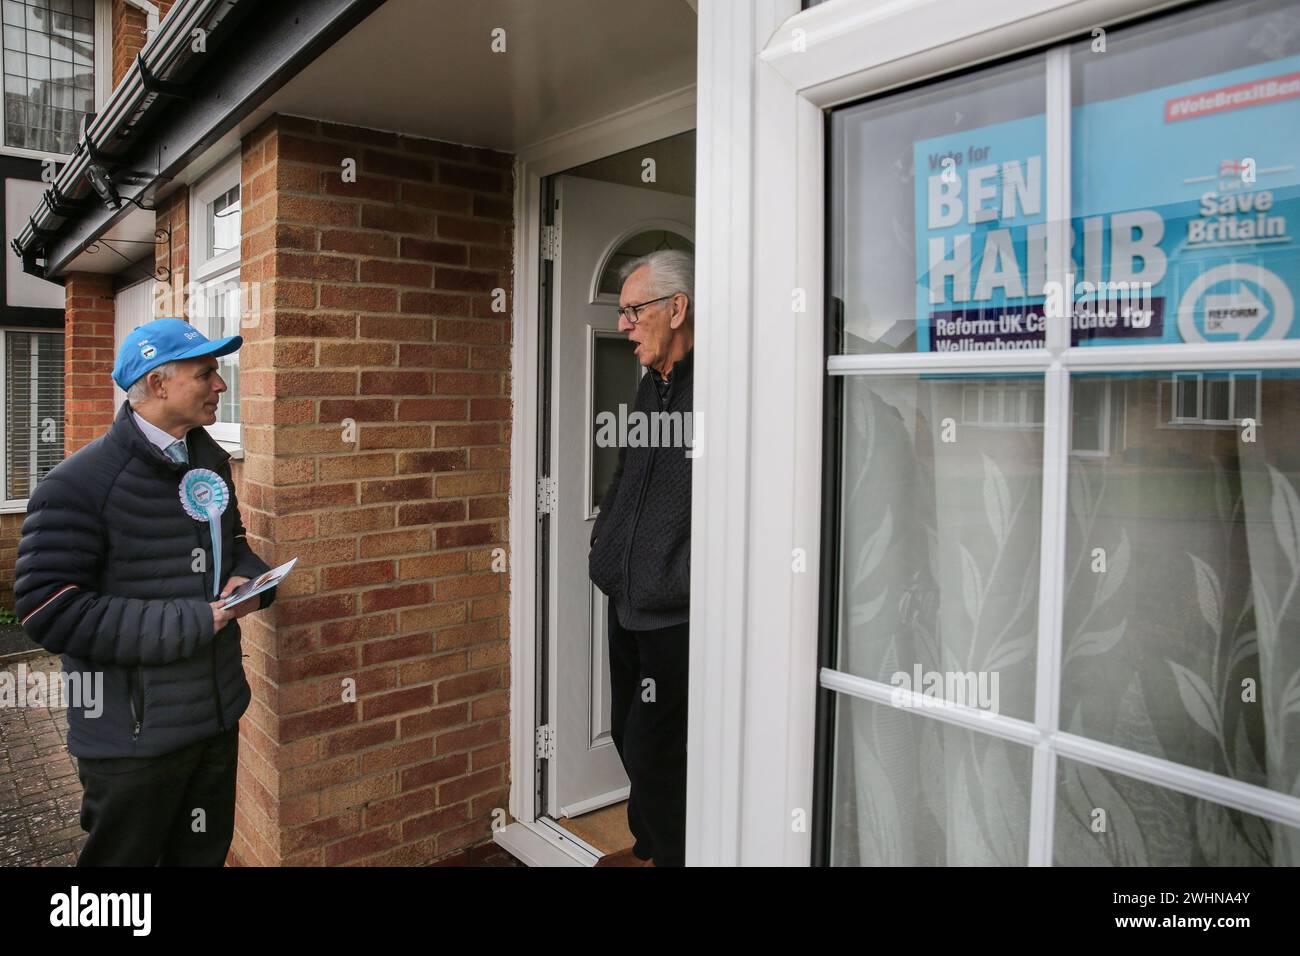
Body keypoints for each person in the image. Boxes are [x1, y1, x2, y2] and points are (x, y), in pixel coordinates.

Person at [13, 317, 277, 866]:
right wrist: (193, 620)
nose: (220, 386)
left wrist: (249, 581)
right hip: (132, 741)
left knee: (201, 855)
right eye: (207, 374)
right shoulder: (77, 485)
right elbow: (49, 610)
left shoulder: (207, 460)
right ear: (159, 384)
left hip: (216, 716)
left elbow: (233, 544)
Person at [588, 249, 694, 867]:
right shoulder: (651, 385)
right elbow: (629, 471)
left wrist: (680, 574)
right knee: (628, 730)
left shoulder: (720, 393)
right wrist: (606, 542)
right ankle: (649, 846)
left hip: (673, 613)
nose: (623, 324)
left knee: (658, 747)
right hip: (626, 599)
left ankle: (674, 855)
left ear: (676, 308)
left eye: (633, 311)